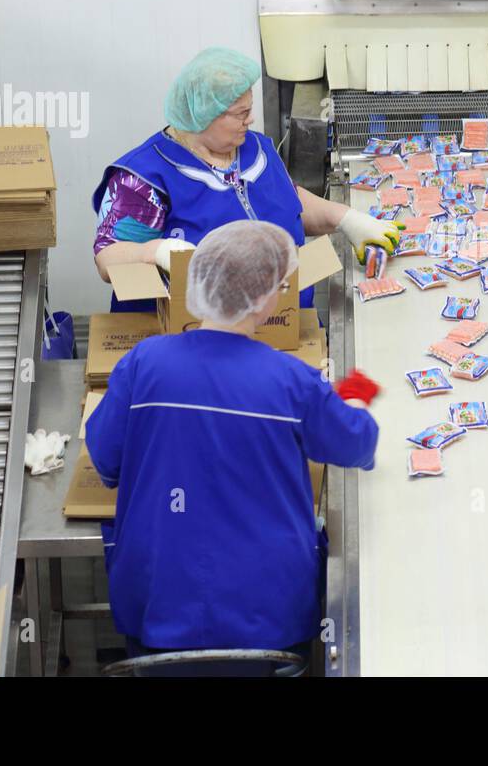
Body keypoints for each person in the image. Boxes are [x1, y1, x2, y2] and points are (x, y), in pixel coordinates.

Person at [86, 220, 380, 664]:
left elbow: (106, 462)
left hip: (157, 612)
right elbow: (356, 444)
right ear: (266, 299)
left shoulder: (143, 363)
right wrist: (354, 399)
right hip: (269, 621)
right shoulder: (292, 381)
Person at [92, 47, 402, 311]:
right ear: (204, 115)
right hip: (197, 338)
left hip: (281, 321)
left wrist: (346, 219)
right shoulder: (143, 178)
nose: (250, 119)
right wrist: (156, 251)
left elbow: (287, 200)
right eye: (241, 113)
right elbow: (107, 258)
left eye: (249, 109)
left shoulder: (255, 149)